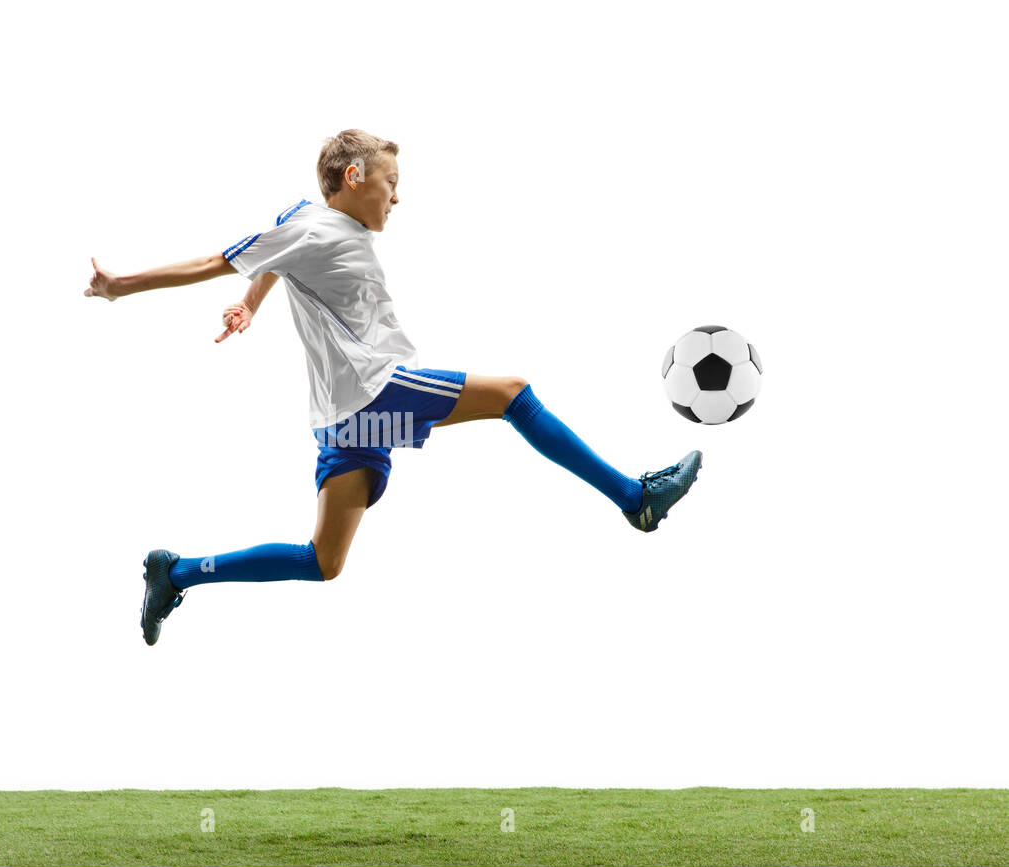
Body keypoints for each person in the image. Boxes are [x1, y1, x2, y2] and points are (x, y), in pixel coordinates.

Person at [84, 130, 701, 646]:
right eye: (390, 182)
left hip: (341, 420)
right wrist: (122, 286)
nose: (397, 197)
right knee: (513, 394)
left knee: (323, 562)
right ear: (354, 176)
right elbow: (219, 258)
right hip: (373, 391)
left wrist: (250, 303)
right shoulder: (318, 230)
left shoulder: (302, 221)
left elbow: (267, 254)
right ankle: (634, 499)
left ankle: (177, 574)